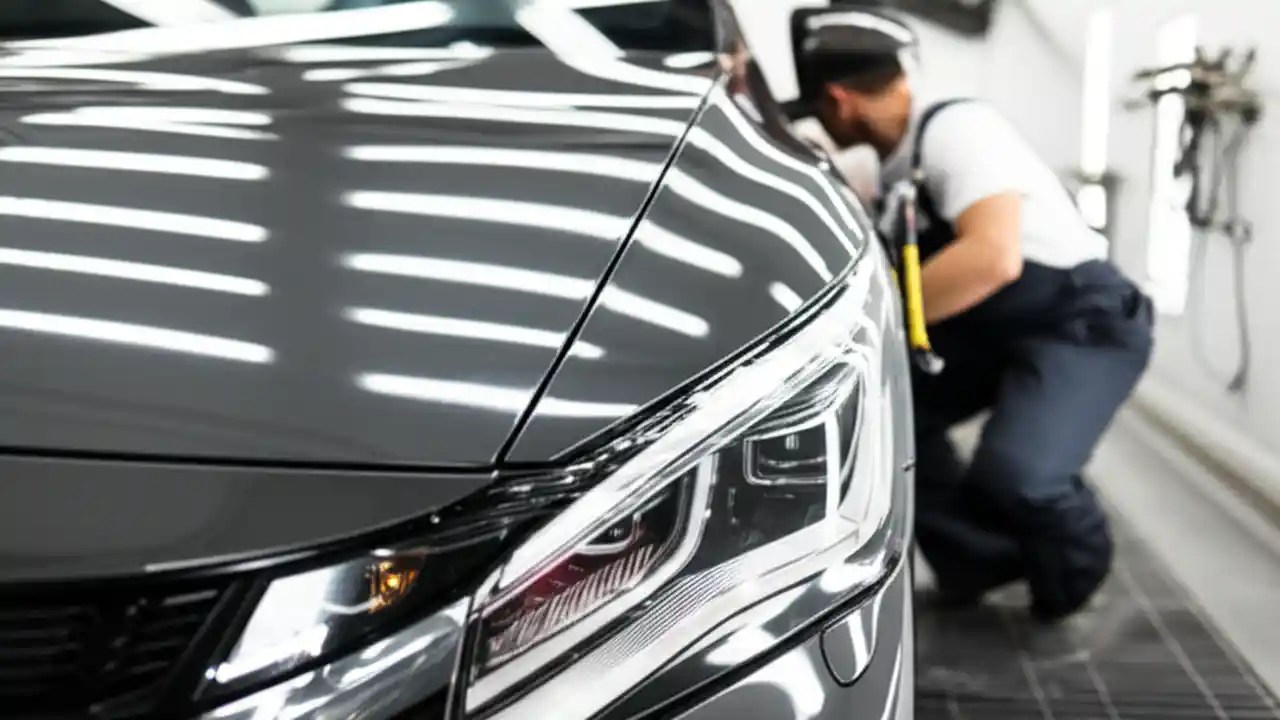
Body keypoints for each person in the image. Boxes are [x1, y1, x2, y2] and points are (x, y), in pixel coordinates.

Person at [793, 8, 1154, 621]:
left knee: (1019, 475)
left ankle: (1073, 581)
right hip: (995, 325)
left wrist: (867, 335)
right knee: (883, 424)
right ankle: (977, 559)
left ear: (837, 100)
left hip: (1083, 323)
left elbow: (992, 257)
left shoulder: (957, 129)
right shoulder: (893, 162)